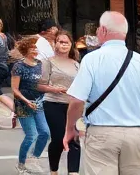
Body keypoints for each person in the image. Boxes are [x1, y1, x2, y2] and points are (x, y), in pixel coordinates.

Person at [62, 11, 140, 175]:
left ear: (102, 30)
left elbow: (77, 101)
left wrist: (70, 128)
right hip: (136, 133)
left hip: (102, 132)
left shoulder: (92, 59)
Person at [40, 30, 81, 175]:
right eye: (60, 42)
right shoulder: (48, 62)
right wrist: (53, 89)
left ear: (71, 45)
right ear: (55, 44)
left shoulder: (76, 64)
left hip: (71, 105)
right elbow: (39, 85)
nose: (63, 45)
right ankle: (54, 170)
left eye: (66, 42)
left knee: (74, 138)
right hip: (53, 103)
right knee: (58, 138)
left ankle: (73, 172)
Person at [11, 35, 51, 175]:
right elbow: (15, 89)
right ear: (25, 50)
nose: (35, 50)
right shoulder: (19, 66)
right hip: (23, 105)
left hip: (38, 103)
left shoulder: (40, 64)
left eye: (36, 48)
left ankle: (34, 158)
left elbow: (43, 84)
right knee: (31, 135)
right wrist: (27, 101)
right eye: (32, 48)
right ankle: (21, 164)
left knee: (45, 133)